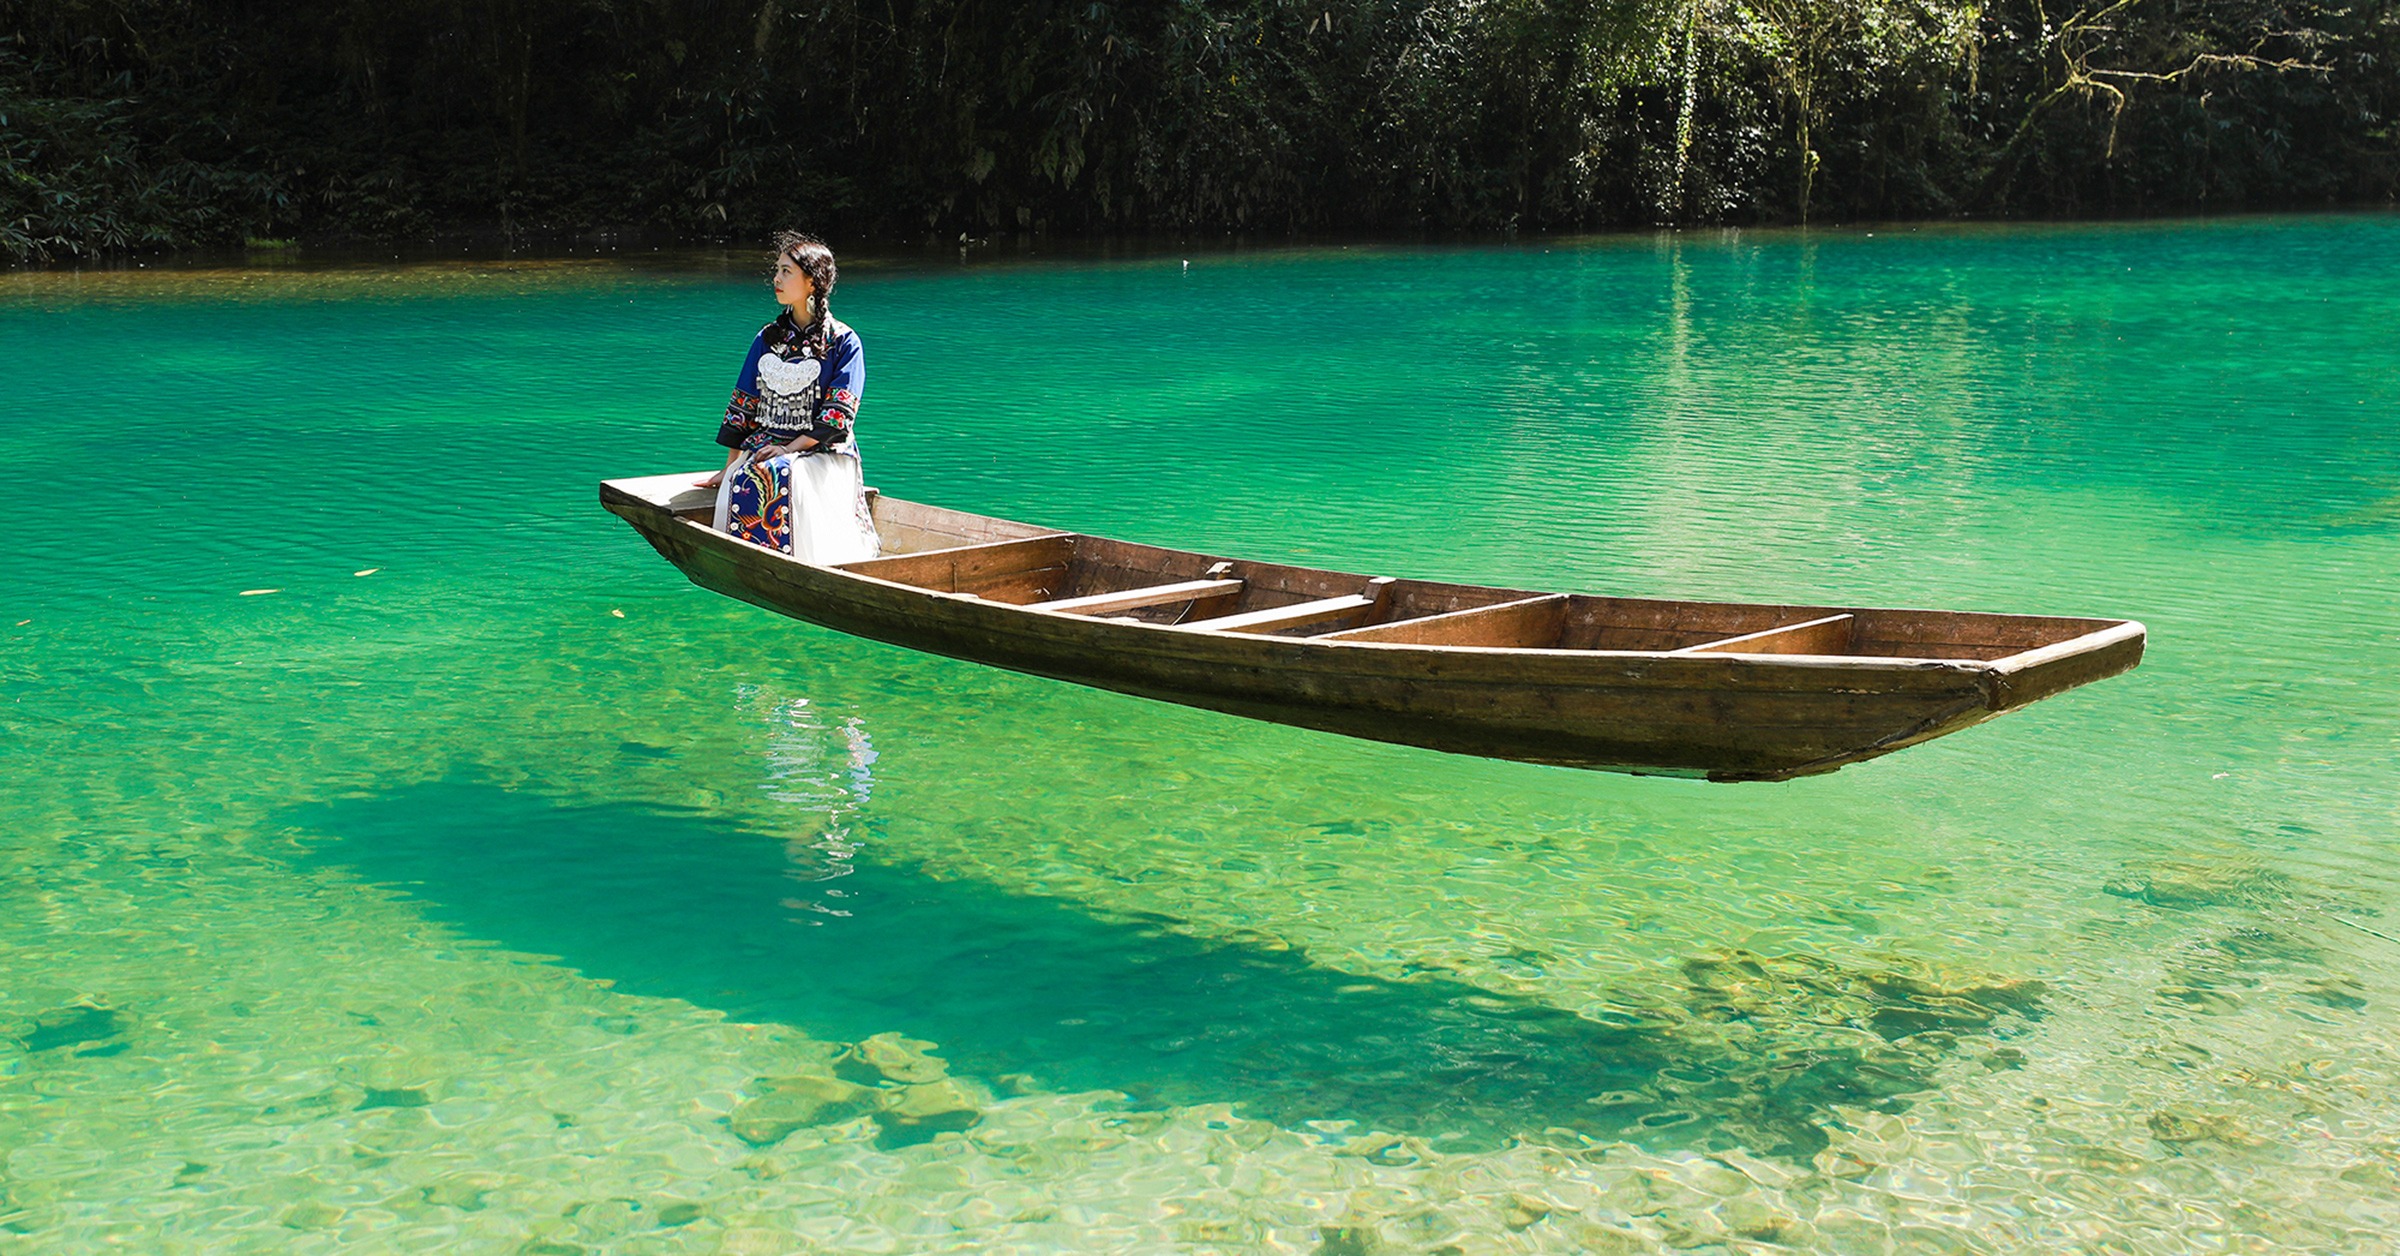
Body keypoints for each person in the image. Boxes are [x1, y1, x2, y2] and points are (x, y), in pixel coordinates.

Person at [700, 231, 880, 564]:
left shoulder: (844, 342)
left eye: (786, 271)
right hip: (768, 445)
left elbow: (838, 418)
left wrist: (787, 449)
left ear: (812, 282)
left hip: (823, 452)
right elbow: (744, 404)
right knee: (746, 475)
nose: (776, 278)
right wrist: (728, 468)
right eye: (777, 270)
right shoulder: (767, 338)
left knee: (782, 473)